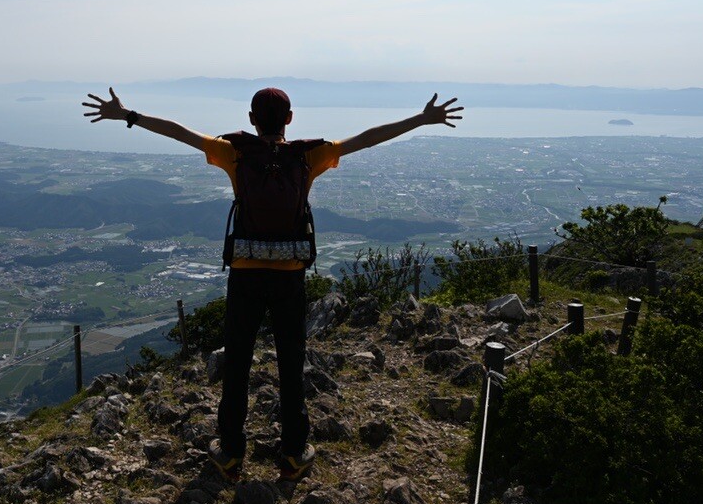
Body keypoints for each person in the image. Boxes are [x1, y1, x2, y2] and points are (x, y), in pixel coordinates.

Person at [82, 86, 463, 482]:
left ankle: (230, 452)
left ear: (251, 119)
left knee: (238, 363)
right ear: (290, 119)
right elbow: (367, 138)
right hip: (289, 276)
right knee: (291, 363)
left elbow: (180, 132)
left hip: (246, 273)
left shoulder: (235, 153)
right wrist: (420, 119)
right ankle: (294, 454)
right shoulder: (308, 156)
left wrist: (127, 115)